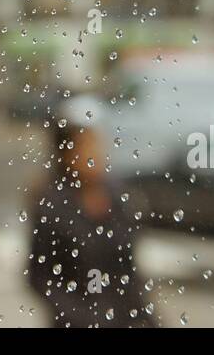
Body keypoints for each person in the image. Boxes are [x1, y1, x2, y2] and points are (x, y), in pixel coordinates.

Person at [27, 105, 155, 327]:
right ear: (66, 154)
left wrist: (147, 318)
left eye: (96, 144)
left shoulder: (117, 198)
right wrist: (84, 319)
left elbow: (129, 273)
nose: (94, 154)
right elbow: (40, 278)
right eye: (85, 146)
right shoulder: (52, 206)